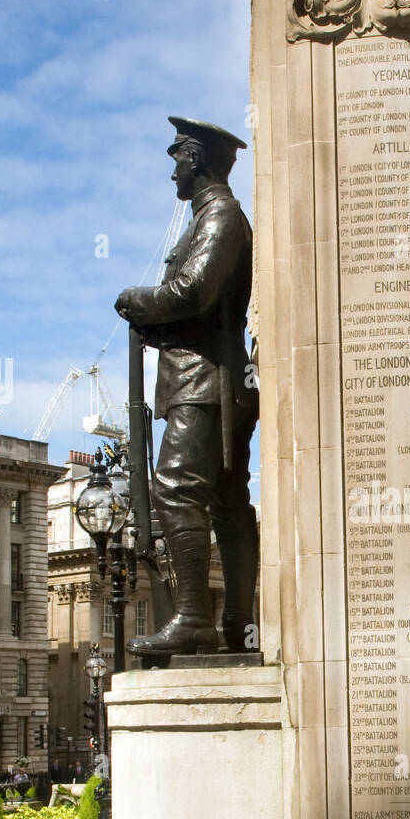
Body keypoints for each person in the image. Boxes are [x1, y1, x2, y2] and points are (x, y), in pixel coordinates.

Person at [115, 116, 259, 657]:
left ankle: (197, 619)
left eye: (176, 156)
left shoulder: (219, 216)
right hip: (210, 378)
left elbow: (193, 290)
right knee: (226, 500)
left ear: (195, 159)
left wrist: (137, 299)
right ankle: (237, 627)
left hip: (206, 380)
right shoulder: (207, 218)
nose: (171, 167)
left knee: (175, 489)